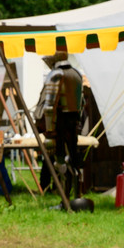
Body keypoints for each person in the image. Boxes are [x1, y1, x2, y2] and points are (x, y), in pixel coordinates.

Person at [37, 52, 84, 196]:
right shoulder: (76, 74)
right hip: (73, 123)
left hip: (59, 124)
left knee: (61, 162)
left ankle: (65, 198)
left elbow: (49, 107)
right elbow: (80, 102)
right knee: (73, 161)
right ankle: (75, 196)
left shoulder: (55, 75)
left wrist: (50, 135)